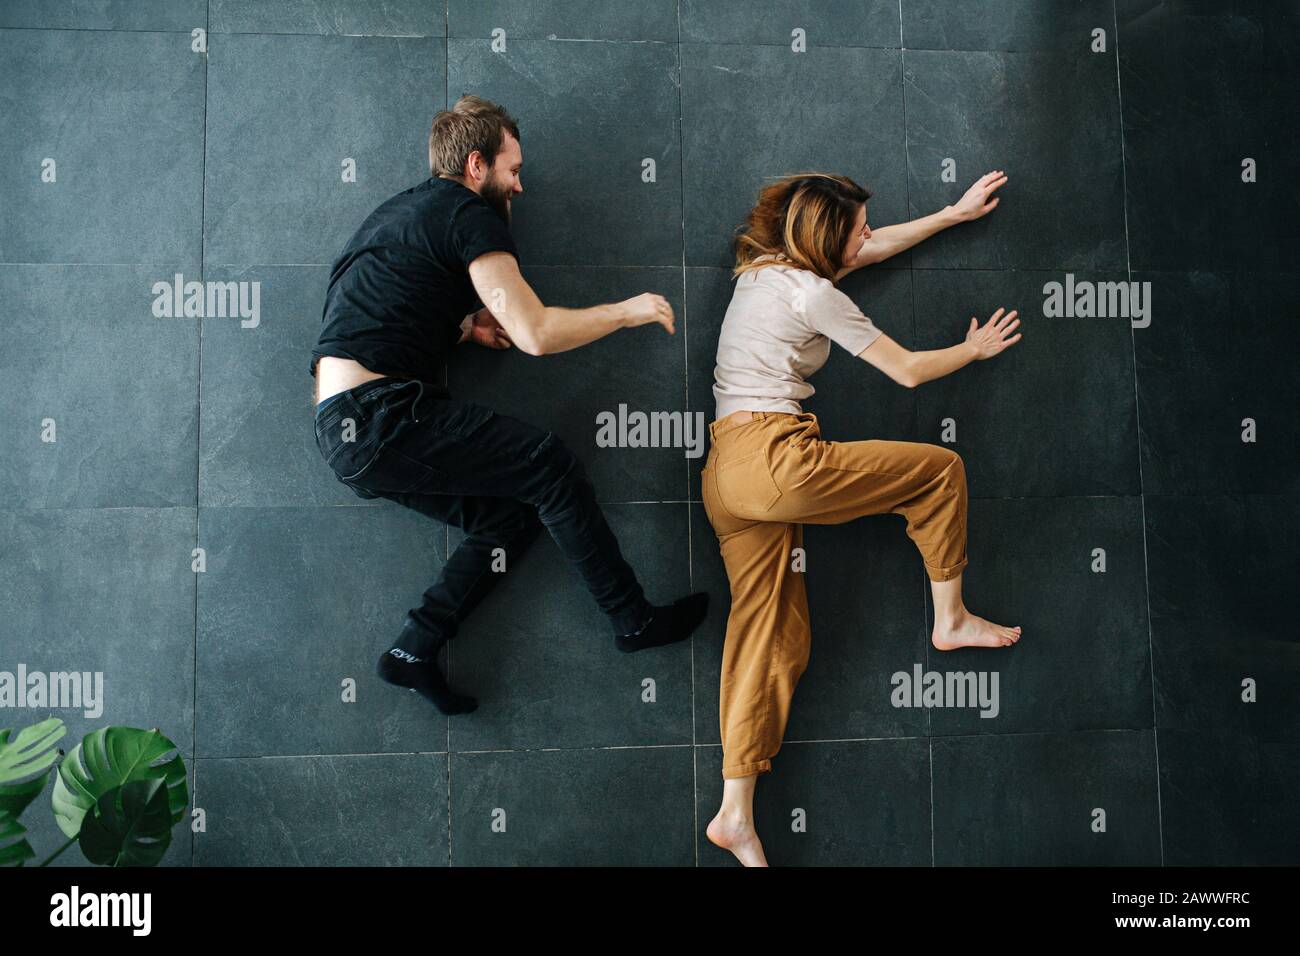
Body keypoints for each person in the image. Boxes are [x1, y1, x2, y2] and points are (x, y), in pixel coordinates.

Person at [310, 94, 708, 715]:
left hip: (346, 430)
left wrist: (466, 330)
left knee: (505, 521)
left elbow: (378, 308)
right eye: (513, 170)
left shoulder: (397, 213)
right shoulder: (468, 213)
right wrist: (627, 312)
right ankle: (631, 620)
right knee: (550, 466)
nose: (519, 185)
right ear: (476, 165)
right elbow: (537, 334)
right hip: (383, 414)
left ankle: (415, 648)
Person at [699, 170, 1021, 866]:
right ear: (827, 241)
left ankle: (734, 812)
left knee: (772, 633)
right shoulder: (816, 294)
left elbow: (869, 254)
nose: (869, 236)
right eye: (860, 228)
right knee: (940, 471)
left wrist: (951, 215)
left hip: (723, 470)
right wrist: (973, 350)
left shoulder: (762, 269)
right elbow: (905, 371)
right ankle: (951, 618)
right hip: (775, 459)